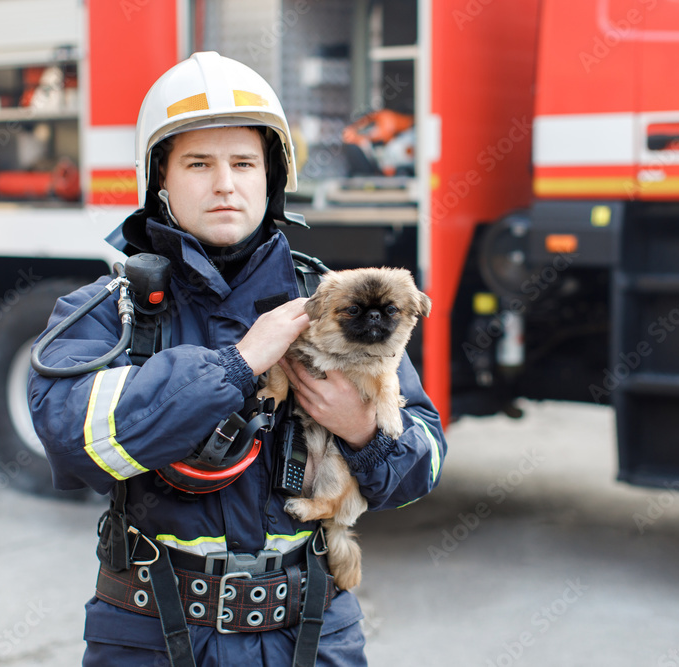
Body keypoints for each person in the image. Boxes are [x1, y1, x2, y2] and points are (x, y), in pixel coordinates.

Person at [27, 51, 447, 667]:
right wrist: (236, 366)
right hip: (150, 636)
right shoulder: (107, 312)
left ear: (270, 179)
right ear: (160, 180)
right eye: (199, 163)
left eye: (244, 163)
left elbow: (424, 467)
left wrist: (362, 430)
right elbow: (68, 439)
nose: (225, 183)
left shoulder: (332, 304)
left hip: (310, 634)